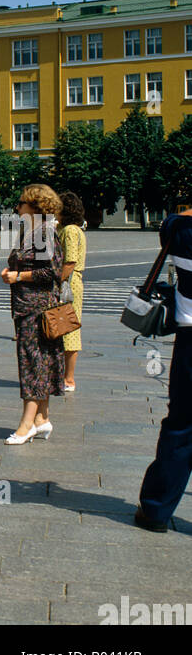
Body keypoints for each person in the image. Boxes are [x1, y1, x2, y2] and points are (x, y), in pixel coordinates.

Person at [136, 204, 192, 531]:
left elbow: (171, 222)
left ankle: (156, 511)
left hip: (189, 341)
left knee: (182, 426)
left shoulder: (179, 229)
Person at [0, 184, 65, 444]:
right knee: (40, 361)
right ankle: (42, 418)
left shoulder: (45, 232)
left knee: (31, 363)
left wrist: (18, 275)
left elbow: (51, 272)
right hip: (29, 305)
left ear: (35, 206)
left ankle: (26, 425)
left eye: (21, 203)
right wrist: (12, 271)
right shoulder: (34, 231)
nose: (17, 208)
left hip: (36, 308)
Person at [56, 191, 86, 391]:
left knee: (69, 330)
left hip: (69, 282)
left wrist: (58, 282)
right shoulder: (69, 228)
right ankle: (63, 376)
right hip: (71, 281)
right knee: (63, 329)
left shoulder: (71, 230)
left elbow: (70, 261)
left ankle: (69, 379)